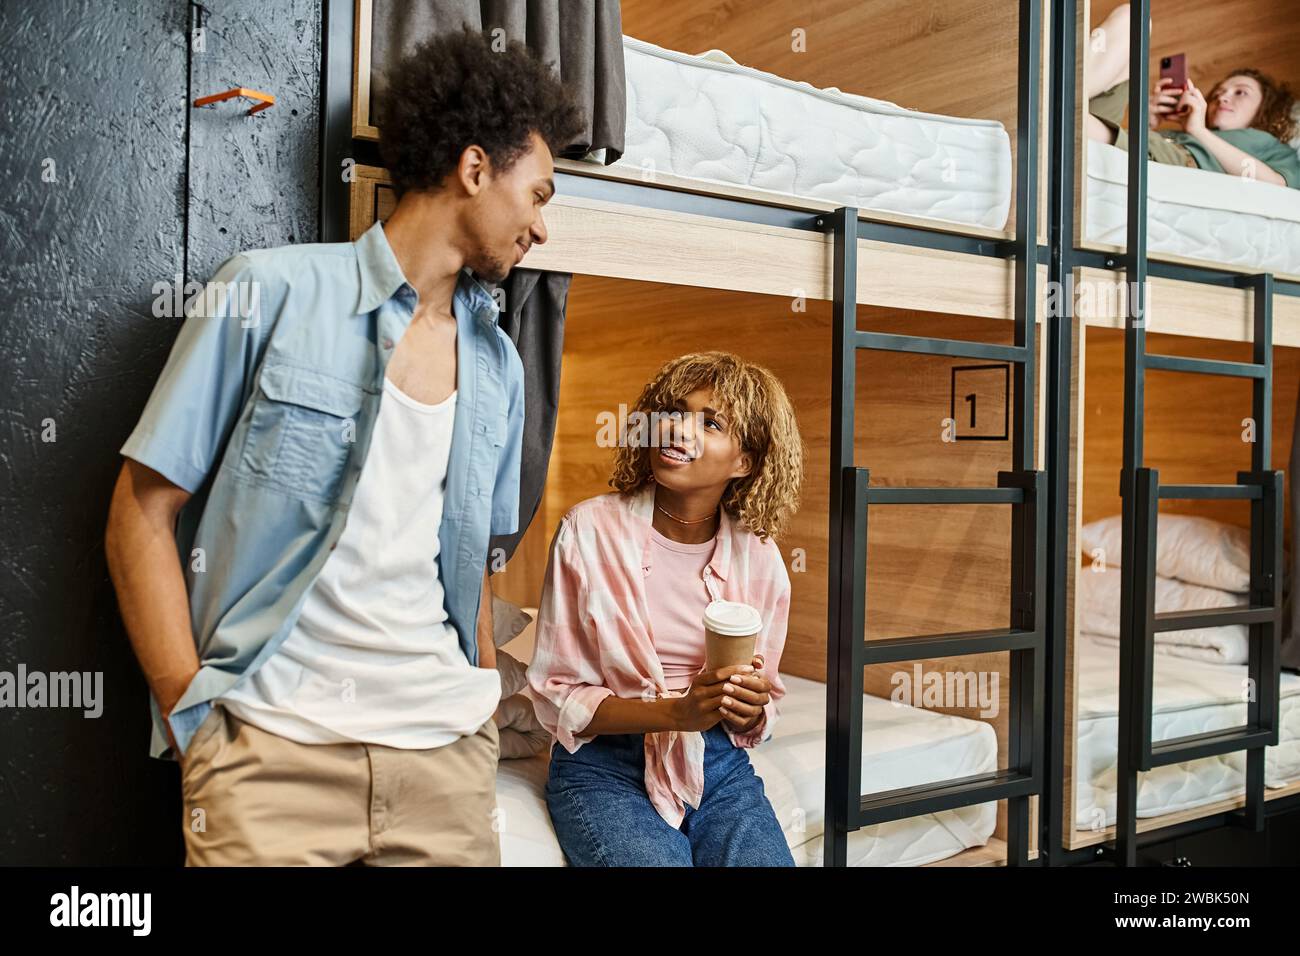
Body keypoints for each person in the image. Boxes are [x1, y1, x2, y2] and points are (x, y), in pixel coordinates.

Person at [103, 26, 585, 865]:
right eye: (539, 194)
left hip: (442, 764)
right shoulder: (265, 290)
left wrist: (474, 713)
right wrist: (195, 722)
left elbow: (470, 572)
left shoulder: (502, 367)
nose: (542, 228)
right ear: (475, 170)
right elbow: (141, 514)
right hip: (271, 756)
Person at [528, 351, 805, 866]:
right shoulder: (588, 532)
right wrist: (674, 713)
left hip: (718, 765)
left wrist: (751, 707)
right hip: (604, 768)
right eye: (674, 412)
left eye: (711, 422)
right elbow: (555, 696)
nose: (678, 429)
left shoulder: (760, 558)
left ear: (744, 462)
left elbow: (764, 705)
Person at [1085, 3, 1300, 188]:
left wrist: (1198, 130)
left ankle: (1060, 103)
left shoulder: (1269, 144)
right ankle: (1066, 99)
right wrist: (1147, 122)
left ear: (1265, 108)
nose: (1223, 98)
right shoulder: (1180, 133)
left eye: (1241, 92)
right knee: (1132, 18)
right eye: (1217, 94)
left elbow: (1276, 186)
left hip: (1174, 159)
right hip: (1127, 136)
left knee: (1076, 122)